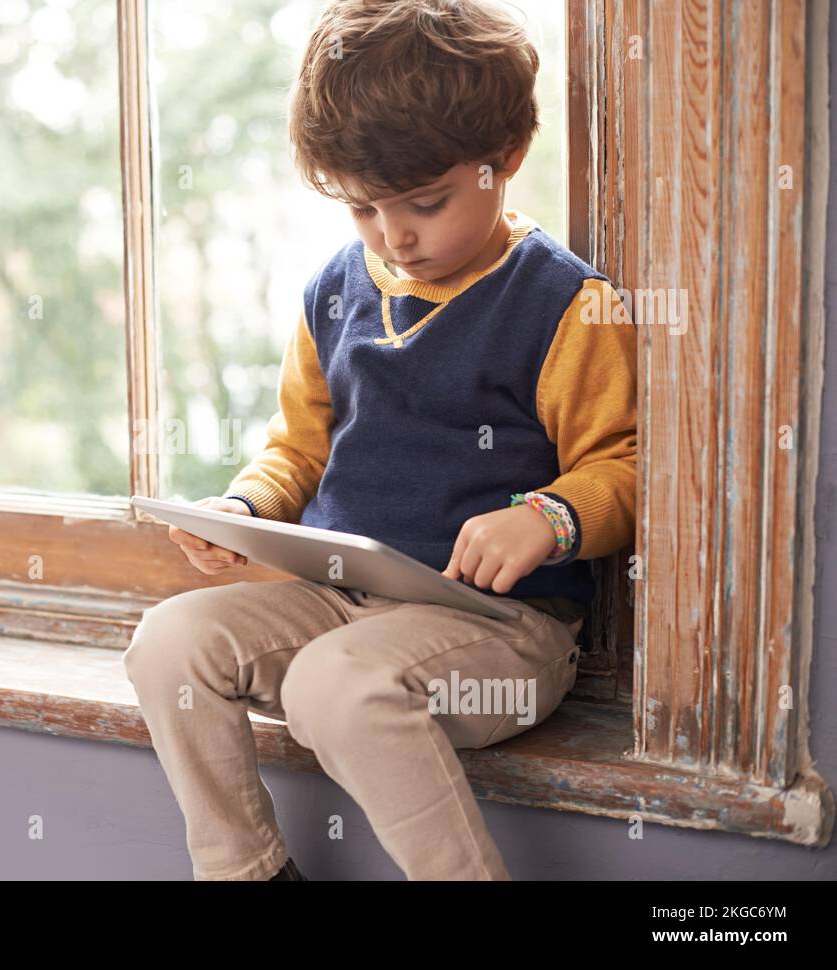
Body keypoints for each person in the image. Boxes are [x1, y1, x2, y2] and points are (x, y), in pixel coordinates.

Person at [123, 0, 637, 881]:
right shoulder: (335, 290)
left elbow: (625, 467)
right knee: (167, 642)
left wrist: (549, 519)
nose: (394, 236)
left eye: (425, 204)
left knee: (336, 685)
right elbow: (298, 449)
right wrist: (246, 508)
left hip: (502, 630)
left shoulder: (563, 303)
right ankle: (246, 871)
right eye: (364, 209)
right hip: (344, 604)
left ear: (504, 159)